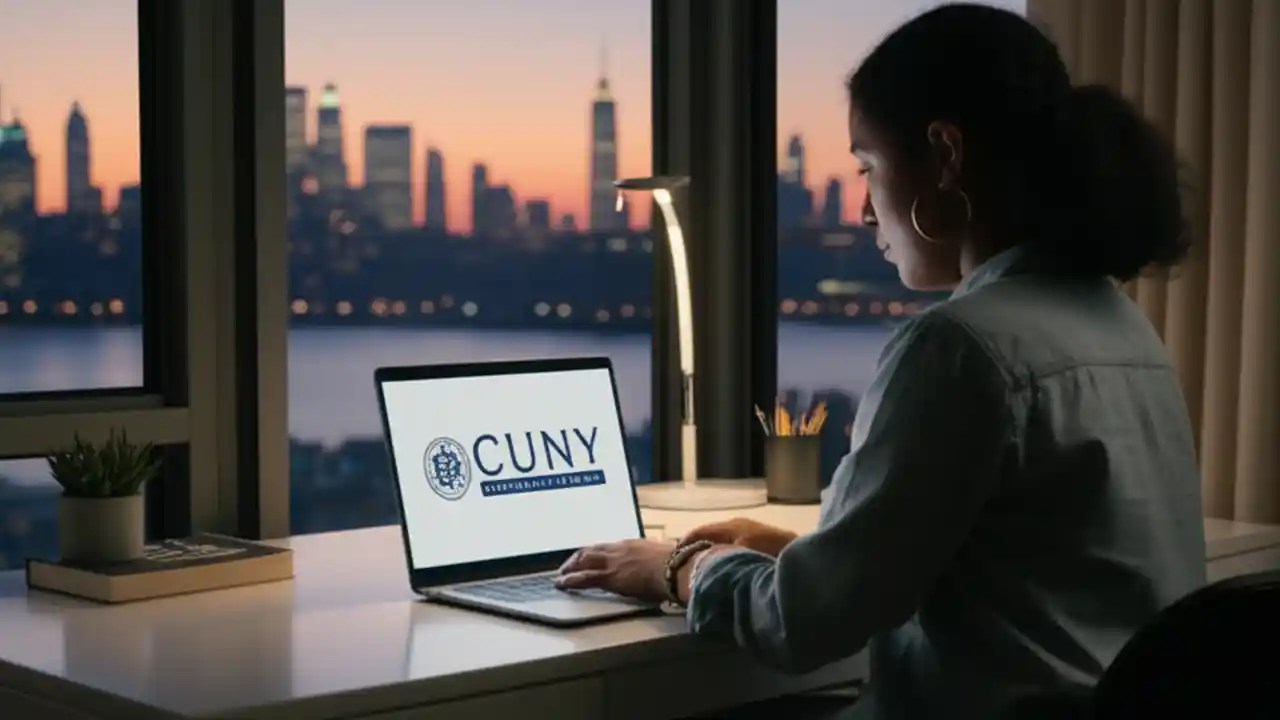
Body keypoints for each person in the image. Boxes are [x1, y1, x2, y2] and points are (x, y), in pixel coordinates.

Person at [556, 4, 1206, 718]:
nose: (865, 211)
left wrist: (676, 567)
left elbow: (801, 625)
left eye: (868, 167)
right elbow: (1005, 567)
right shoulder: (1124, 330)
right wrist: (782, 549)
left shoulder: (960, 348)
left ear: (946, 155)